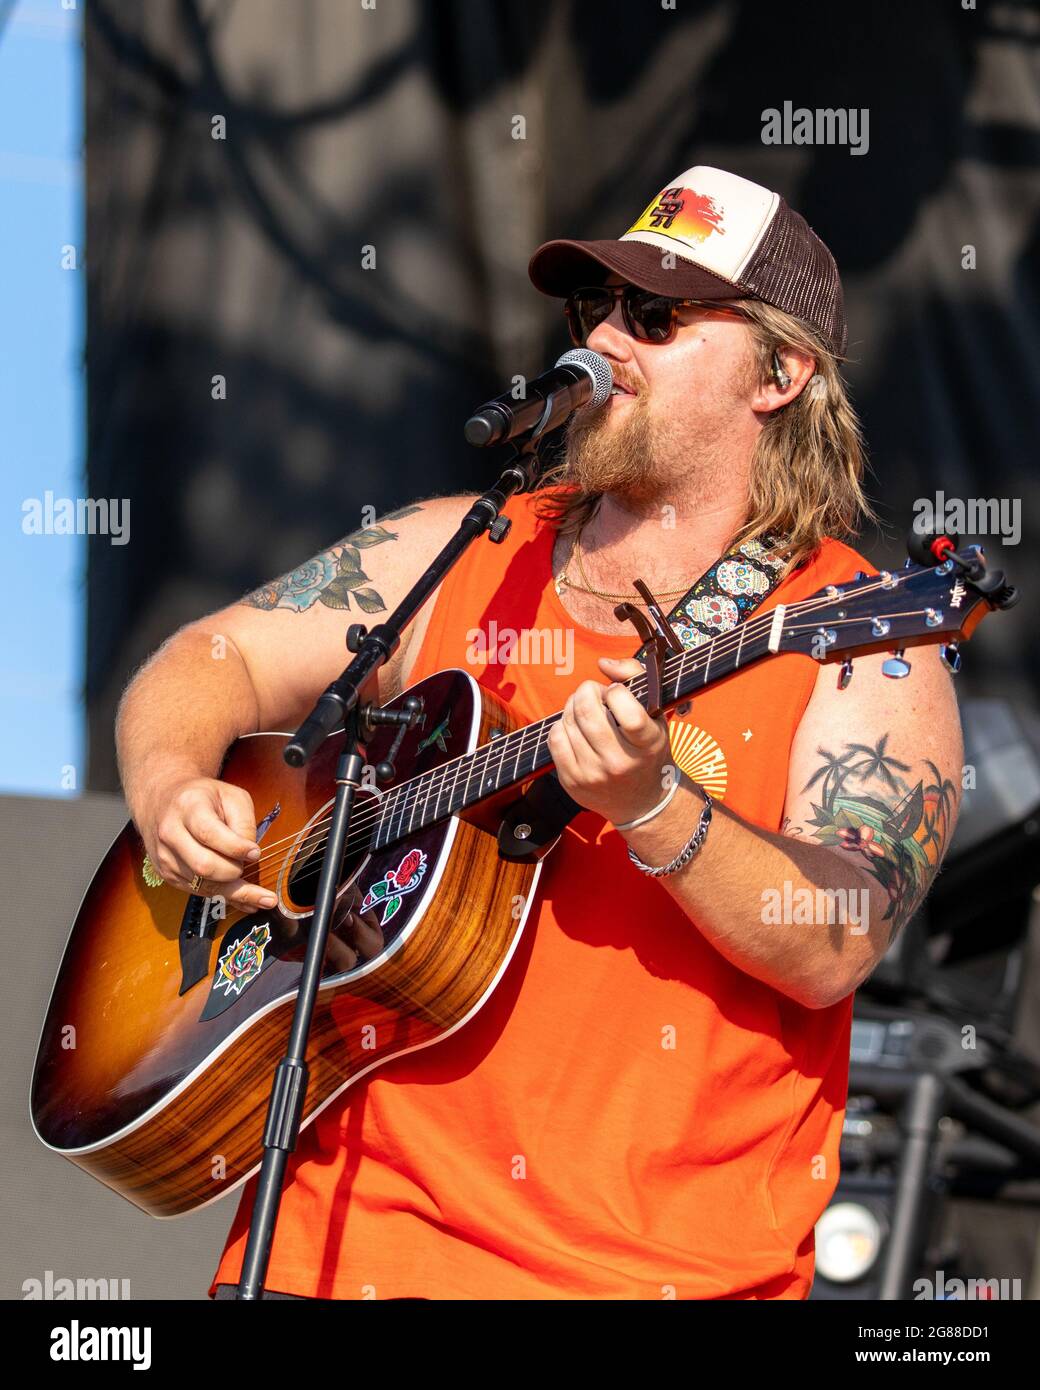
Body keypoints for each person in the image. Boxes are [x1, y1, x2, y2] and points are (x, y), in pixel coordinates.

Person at [116, 166, 962, 1300]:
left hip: (650, 1275)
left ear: (781, 371)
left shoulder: (855, 631)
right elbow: (205, 661)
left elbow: (839, 937)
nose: (609, 337)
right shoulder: (451, 548)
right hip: (335, 1250)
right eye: (596, 310)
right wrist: (172, 787)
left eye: (656, 317)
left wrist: (656, 811)